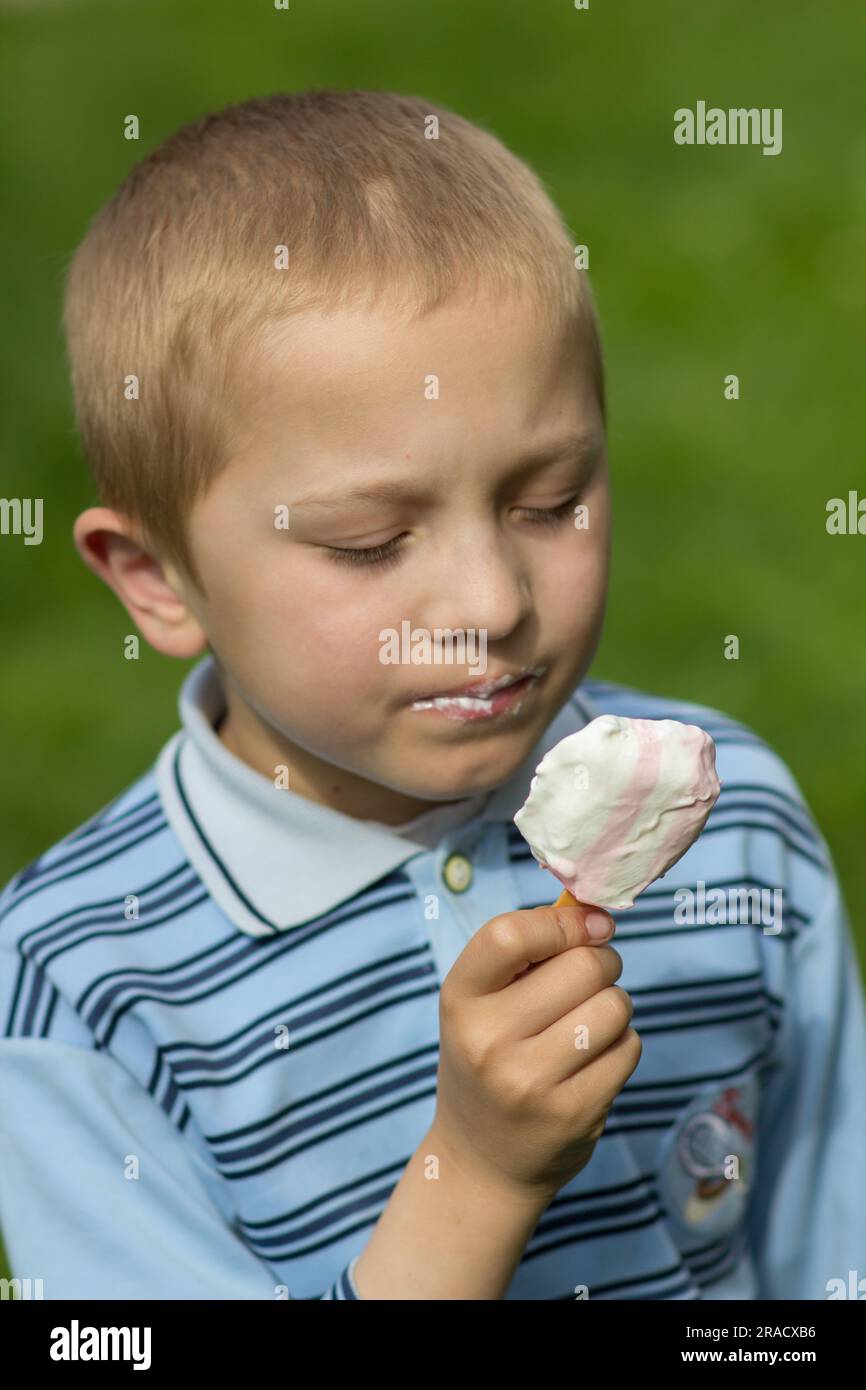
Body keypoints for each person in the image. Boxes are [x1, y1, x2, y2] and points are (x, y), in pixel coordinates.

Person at [1, 89, 864, 1300]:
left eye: (548, 498)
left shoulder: (737, 829)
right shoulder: (79, 991)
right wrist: (476, 1181)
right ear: (158, 579)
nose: (491, 597)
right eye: (367, 542)